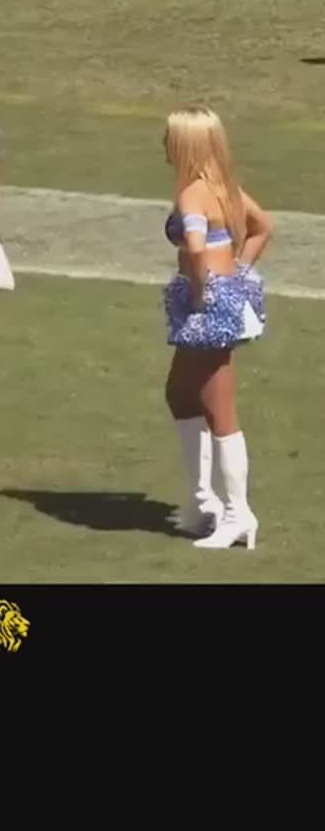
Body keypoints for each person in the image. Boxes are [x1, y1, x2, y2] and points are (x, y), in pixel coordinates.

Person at [162, 105, 274, 550]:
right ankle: (202, 501)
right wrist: (238, 272)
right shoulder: (225, 188)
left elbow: (194, 248)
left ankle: (237, 514)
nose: (164, 145)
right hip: (222, 298)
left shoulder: (193, 194)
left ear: (186, 144)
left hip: (208, 306)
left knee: (218, 407)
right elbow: (263, 227)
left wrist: (200, 290)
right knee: (180, 392)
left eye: (170, 138)